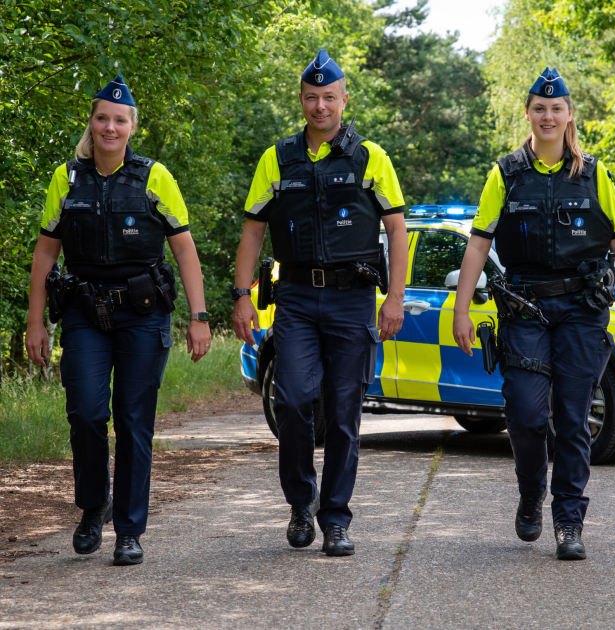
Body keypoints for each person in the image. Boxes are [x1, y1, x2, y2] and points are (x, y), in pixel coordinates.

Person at [452, 68, 615, 560]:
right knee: (524, 413)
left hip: (582, 311)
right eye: (539, 109)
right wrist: (462, 307)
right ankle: (530, 492)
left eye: (556, 109)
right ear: (528, 114)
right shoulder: (505, 174)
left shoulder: (594, 174)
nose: (547, 116)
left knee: (572, 417)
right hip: (525, 309)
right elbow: (478, 244)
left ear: (568, 115)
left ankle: (568, 520)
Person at [24, 75, 211, 566]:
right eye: (102, 118)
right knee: (87, 413)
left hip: (142, 316)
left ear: (132, 127)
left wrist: (199, 317)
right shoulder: (67, 178)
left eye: (119, 120)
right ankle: (93, 507)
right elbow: (45, 253)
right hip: (84, 314)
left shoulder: (154, 178)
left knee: (133, 421)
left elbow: (184, 249)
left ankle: (129, 530)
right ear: (91, 122)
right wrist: (35, 321)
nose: (110, 127)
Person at [231, 50, 408, 555]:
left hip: (353, 299)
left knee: (345, 411)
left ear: (344, 100)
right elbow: (253, 231)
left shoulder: (370, 158)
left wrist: (394, 298)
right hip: (297, 298)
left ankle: (335, 519)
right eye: (312, 97)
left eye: (329, 97)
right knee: (291, 401)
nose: (320, 106)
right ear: (301, 100)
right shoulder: (277, 158)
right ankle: (300, 503)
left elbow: (397, 230)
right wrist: (242, 296)